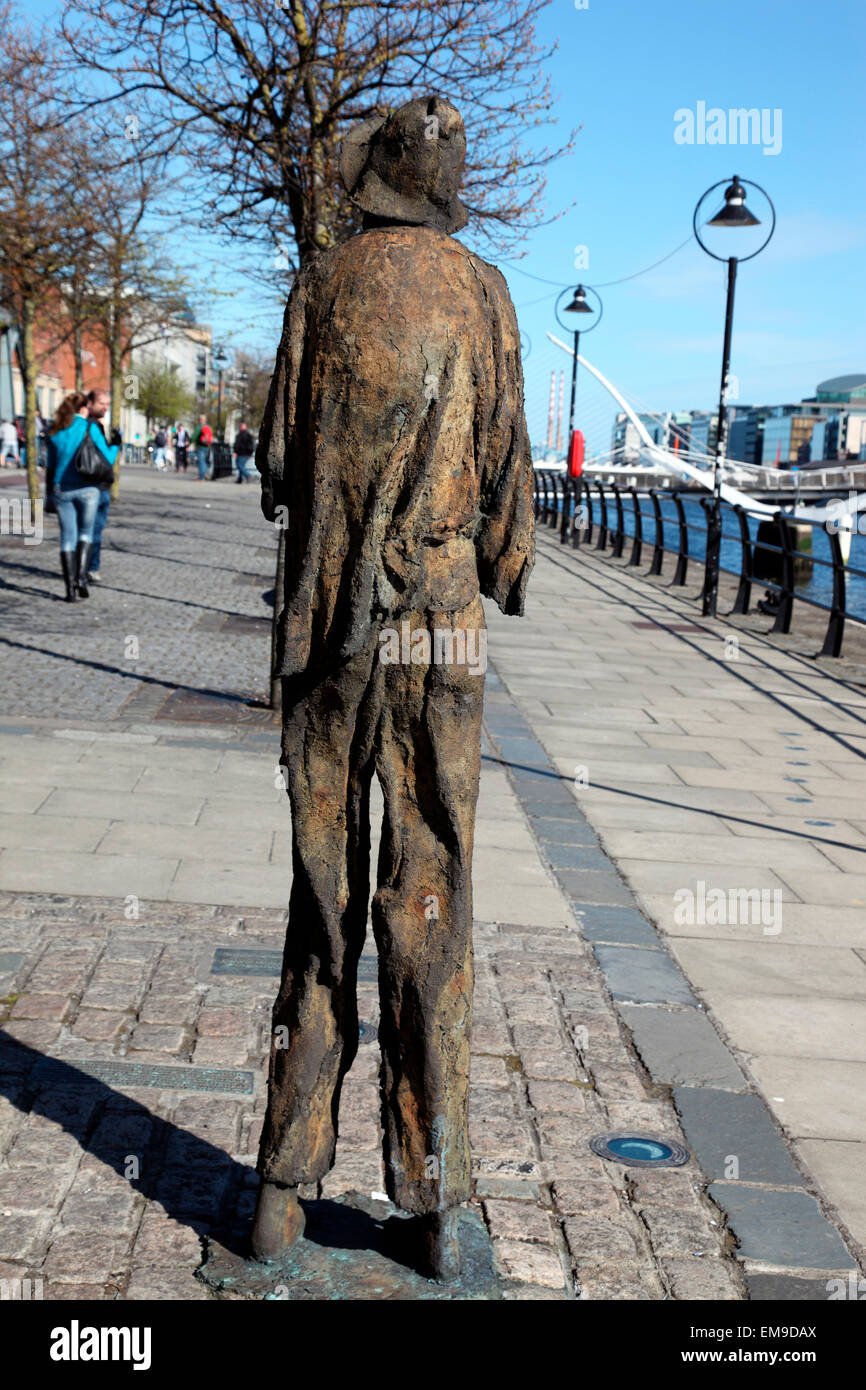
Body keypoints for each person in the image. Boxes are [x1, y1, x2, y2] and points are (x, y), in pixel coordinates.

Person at [251, 96, 534, 1280]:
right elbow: (509, 475)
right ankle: (434, 1201)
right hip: (439, 629)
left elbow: (274, 458)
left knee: (324, 893)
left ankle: (278, 1192)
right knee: (431, 891)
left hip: (329, 635)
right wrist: (488, 553)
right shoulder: (482, 290)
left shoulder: (322, 282)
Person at [45, 390, 118, 601]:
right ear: (84, 409)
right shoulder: (89, 427)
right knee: (86, 534)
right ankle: (81, 579)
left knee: (67, 538)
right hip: (88, 489)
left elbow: (50, 465)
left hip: (62, 489)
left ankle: (69, 590)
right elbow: (108, 458)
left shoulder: (55, 430)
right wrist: (116, 444)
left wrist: (49, 493)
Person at [83, 389, 115, 584]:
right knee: (94, 530)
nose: (106, 407)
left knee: (85, 529)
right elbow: (108, 458)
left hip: (90, 483)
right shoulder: (93, 427)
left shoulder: (83, 425)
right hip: (97, 485)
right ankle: (90, 568)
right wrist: (116, 444)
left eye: (108, 404)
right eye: (102, 403)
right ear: (90, 404)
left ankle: (81, 568)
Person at [192, 415, 213, 479]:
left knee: (201, 461)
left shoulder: (199, 427)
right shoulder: (209, 427)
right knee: (204, 461)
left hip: (200, 446)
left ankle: (201, 477)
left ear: (200, 420)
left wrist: (190, 442)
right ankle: (206, 473)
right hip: (207, 446)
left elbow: (194, 436)